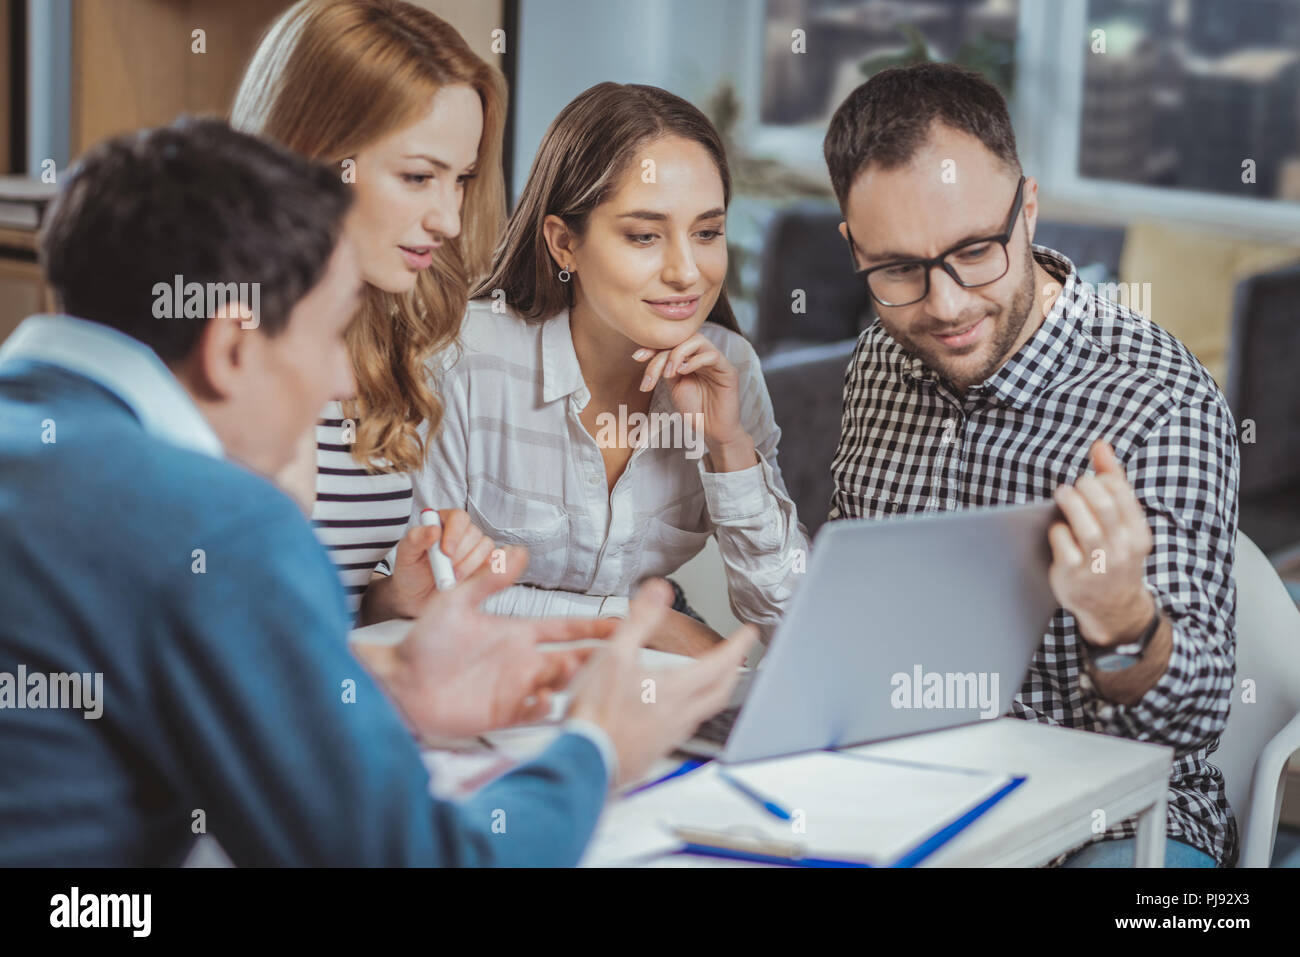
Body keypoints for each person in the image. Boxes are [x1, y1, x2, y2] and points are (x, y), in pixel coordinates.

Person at [0, 117, 753, 866]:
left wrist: (372, 686)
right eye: (330, 336)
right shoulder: (215, 522)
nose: (340, 379)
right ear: (231, 347)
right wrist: (597, 748)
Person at [823, 63, 1238, 867]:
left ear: (1030, 209)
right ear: (854, 246)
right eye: (898, 269)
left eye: (975, 250)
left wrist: (1123, 620)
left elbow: (1191, 721)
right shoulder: (881, 354)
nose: (944, 305)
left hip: (1111, 819)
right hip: (912, 779)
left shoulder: (1157, 397)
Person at [368, 82, 809, 655]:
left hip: (643, 666)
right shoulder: (465, 361)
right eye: (644, 236)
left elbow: (791, 621)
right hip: (480, 664)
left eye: (707, 233)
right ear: (563, 245)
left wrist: (730, 448)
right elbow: (427, 590)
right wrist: (628, 622)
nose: (686, 272)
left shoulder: (731, 368)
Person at [230, 0, 505, 617]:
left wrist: (393, 596)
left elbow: (330, 617)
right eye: (416, 177)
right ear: (310, 157)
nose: (449, 219)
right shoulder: (214, 343)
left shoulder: (391, 335)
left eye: (460, 178)